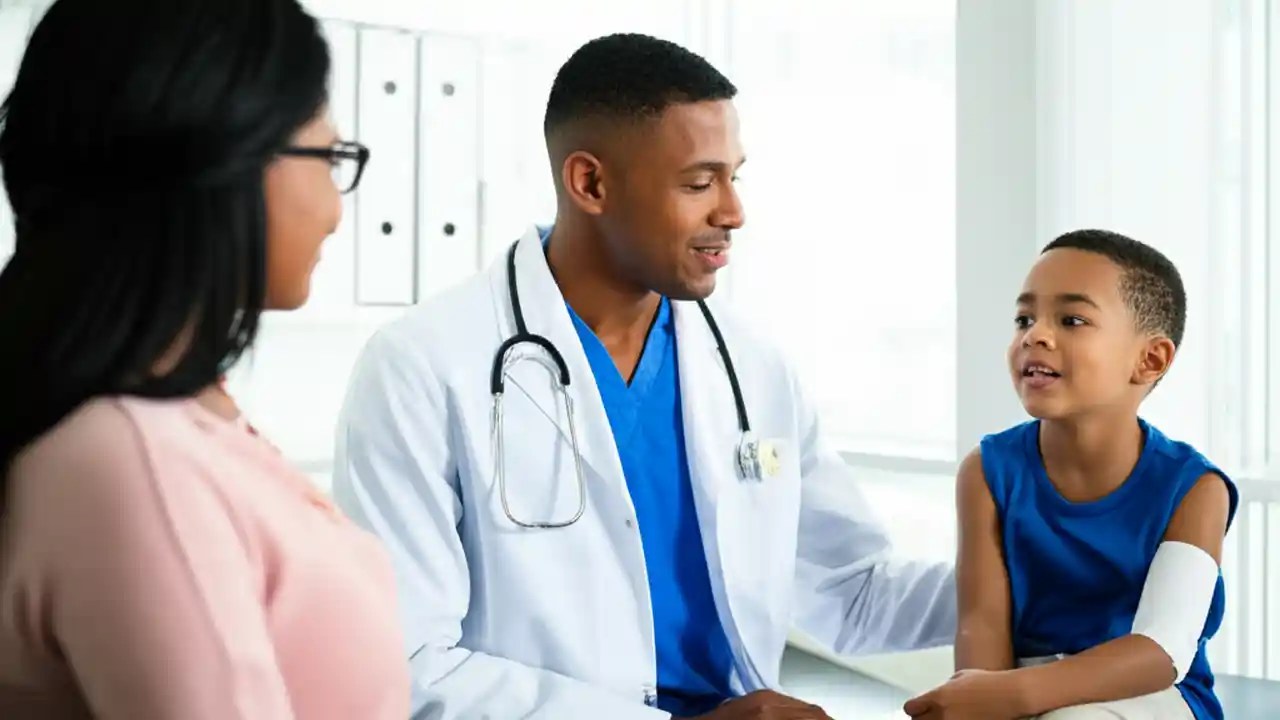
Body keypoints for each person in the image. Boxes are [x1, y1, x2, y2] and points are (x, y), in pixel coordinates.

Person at [334, 32, 955, 720]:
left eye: (733, 177)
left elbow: (851, 593)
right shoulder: (421, 368)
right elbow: (407, 665)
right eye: (698, 182)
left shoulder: (752, 369)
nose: (732, 211)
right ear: (590, 183)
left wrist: (1045, 576)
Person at [0, 1, 409, 718]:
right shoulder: (126, 458)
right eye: (329, 158)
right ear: (225, 161)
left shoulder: (178, 416)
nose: (339, 210)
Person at [904, 230, 1238, 720]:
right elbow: (982, 626)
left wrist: (1014, 696)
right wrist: (986, 702)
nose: (1035, 335)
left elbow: (1161, 651)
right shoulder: (986, 471)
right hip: (1022, 684)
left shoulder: (1196, 488)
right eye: (1024, 318)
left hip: (1149, 696)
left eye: (1072, 319)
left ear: (1150, 360)